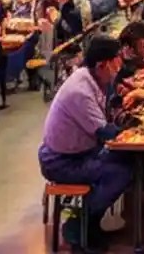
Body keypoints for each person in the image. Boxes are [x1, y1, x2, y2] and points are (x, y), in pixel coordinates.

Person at [38, 35, 134, 250]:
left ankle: (90, 223)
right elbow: (106, 133)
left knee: (128, 159)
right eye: (116, 63)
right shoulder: (80, 91)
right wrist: (135, 129)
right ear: (102, 65)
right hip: (60, 161)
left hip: (78, 152)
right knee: (120, 172)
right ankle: (79, 225)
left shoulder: (92, 77)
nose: (118, 68)